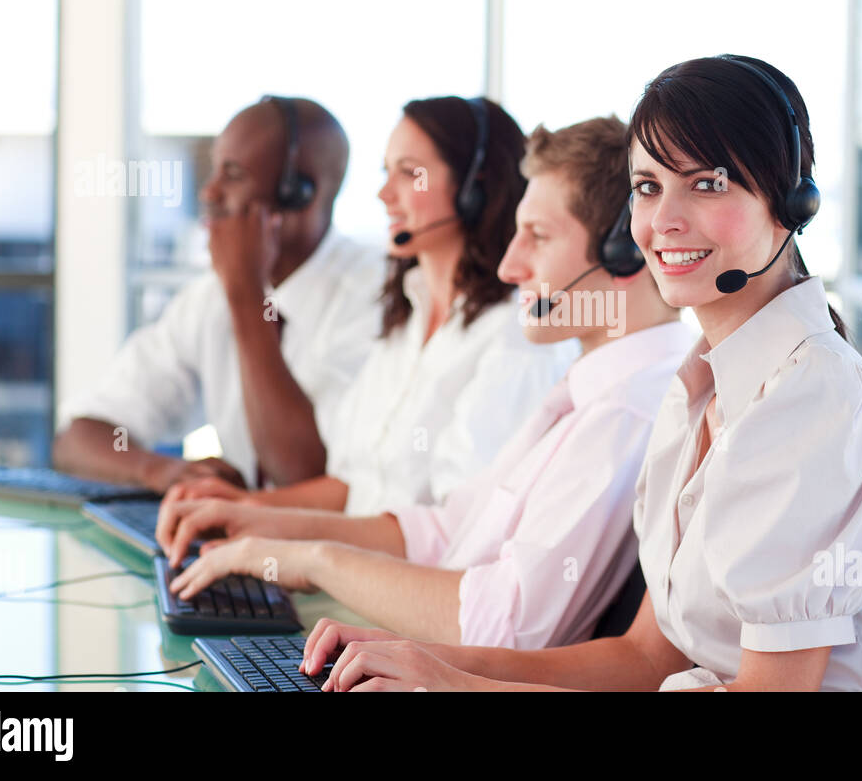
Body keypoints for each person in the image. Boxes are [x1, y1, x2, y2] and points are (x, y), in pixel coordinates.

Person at [292, 55, 862, 692]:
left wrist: (461, 688)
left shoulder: (812, 397)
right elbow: (643, 659)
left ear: (791, 201)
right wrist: (429, 660)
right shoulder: (697, 387)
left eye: (707, 184)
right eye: (649, 187)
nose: (664, 221)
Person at [155, 116, 694, 649]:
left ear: (626, 249)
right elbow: (446, 529)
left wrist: (313, 561)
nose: (511, 266)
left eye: (537, 237)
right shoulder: (586, 392)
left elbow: (504, 627)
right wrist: (268, 529)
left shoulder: (627, 411)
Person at [159, 96, 576, 516]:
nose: (383, 193)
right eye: (385, 172)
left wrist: (293, 546)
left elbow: (450, 535)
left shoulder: (514, 337)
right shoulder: (404, 319)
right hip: (347, 566)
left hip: (392, 577)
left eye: (410, 173)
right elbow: (350, 487)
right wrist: (242, 508)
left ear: (474, 188)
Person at [53, 97, 383, 492]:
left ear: (299, 192)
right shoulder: (208, 298)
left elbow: (303, 473)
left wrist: (247, 296)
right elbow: (76, 440)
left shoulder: (375, 297)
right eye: (214, 169)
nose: (209, 192)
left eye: (233, 173)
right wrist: (161, 471)